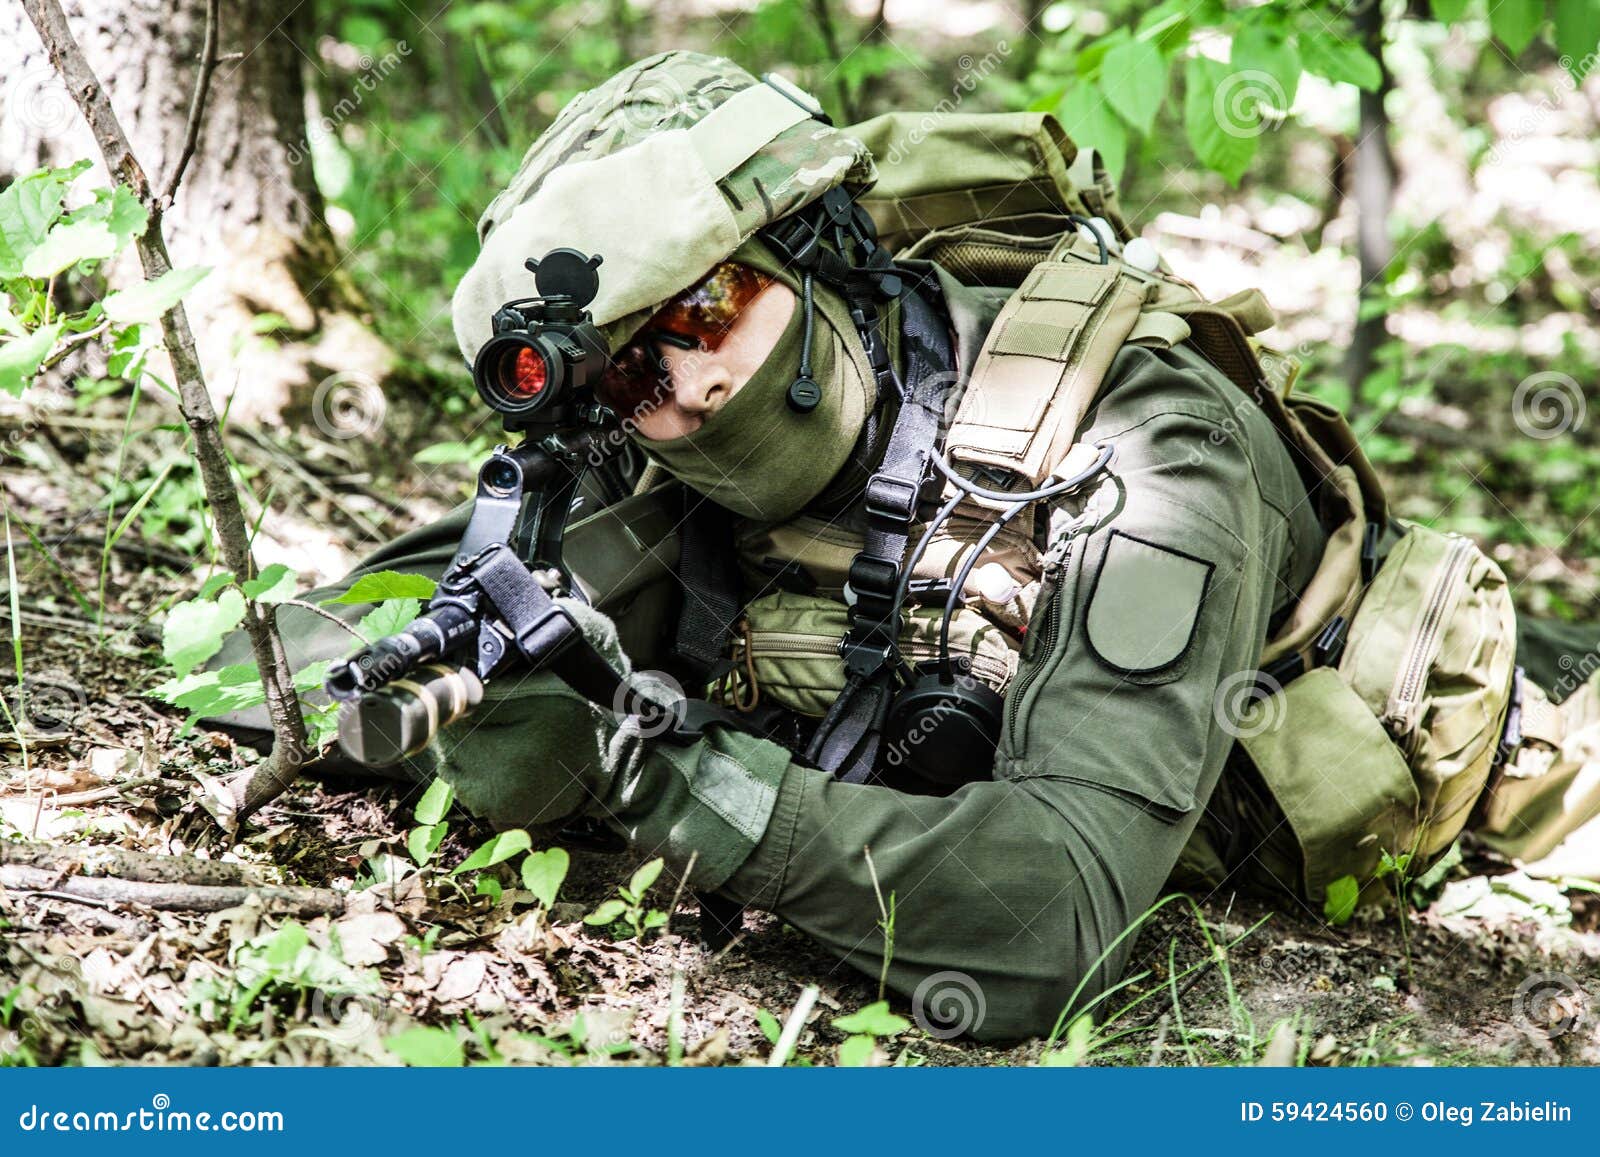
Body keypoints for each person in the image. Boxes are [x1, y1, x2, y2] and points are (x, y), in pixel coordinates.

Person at [225, 52, 1600, 1042]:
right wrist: (448, 710)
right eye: (627, 373)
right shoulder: (660, 457)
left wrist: (674, 783)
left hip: (1511, 767)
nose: (687, 391)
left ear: (821, 251)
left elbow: (1056, 923)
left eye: (706, 310)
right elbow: (301, 653)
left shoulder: (1143, 436)